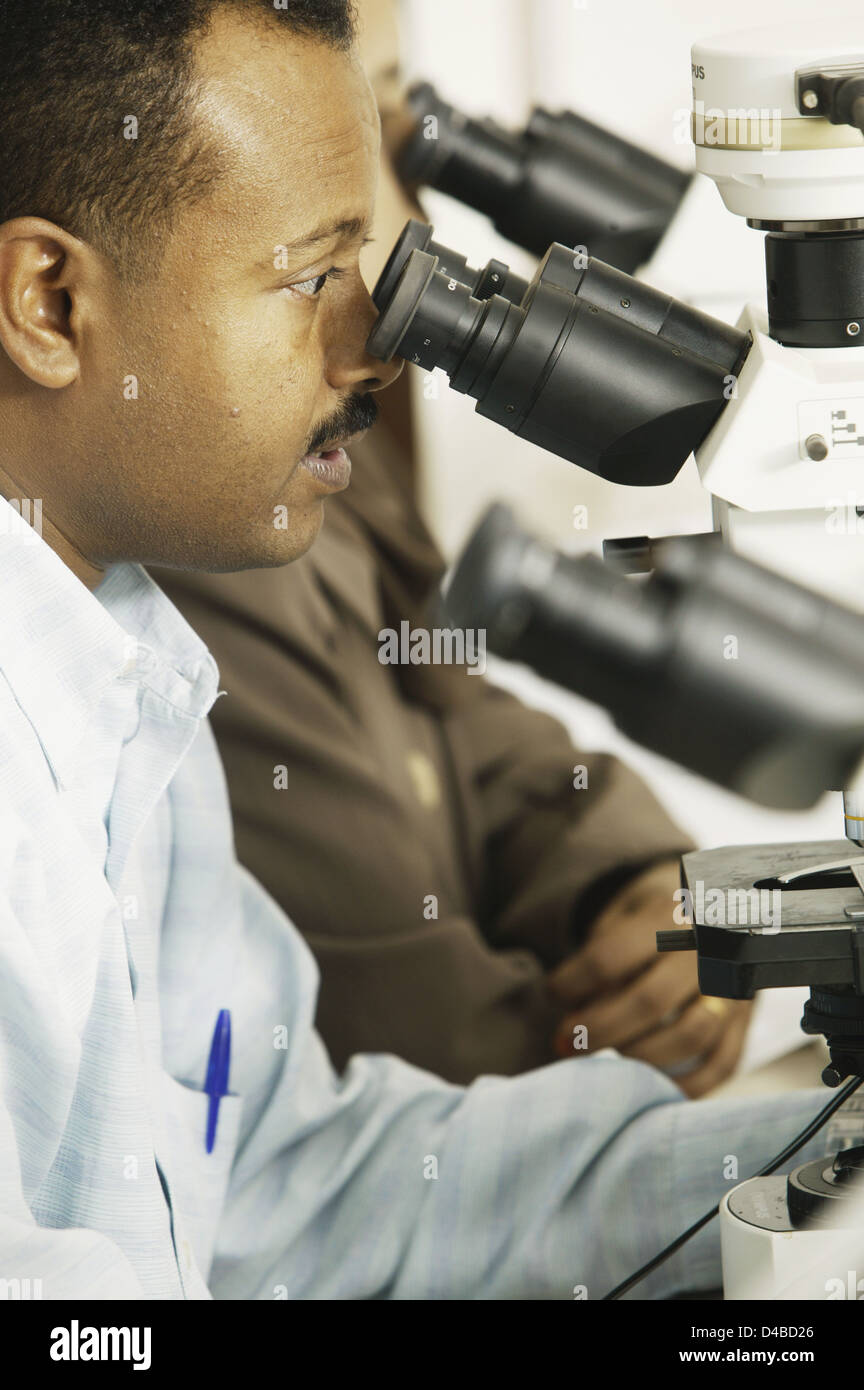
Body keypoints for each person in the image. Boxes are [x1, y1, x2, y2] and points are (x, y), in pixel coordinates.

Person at [0, 0, 831, 1301]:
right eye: (308, 274)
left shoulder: (122, 669)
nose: (382, 345)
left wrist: (803, 1166)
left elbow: (295, 1187)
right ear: (50, 302)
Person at [154, 0, 752, 1094]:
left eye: (400, 109)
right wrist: (637, 1080)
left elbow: (442, 699)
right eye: (373, 115)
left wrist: (632, 883)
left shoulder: (316, 445)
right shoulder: (194, 505)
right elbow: (409, 1022)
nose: (407, 188)